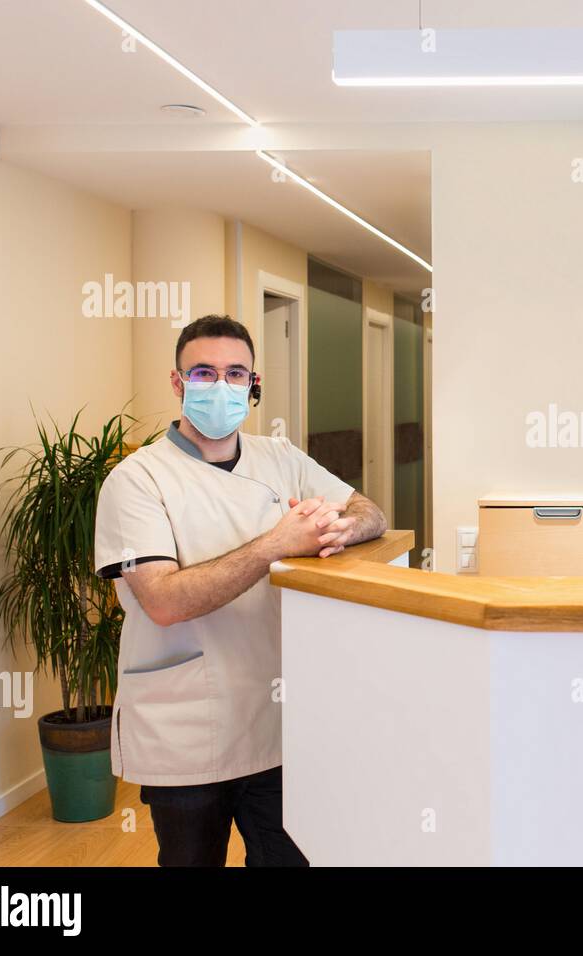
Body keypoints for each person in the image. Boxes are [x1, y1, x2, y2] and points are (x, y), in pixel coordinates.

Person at [94, 314, 387, 865]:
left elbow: (368, 508)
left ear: (253, 385)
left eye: (235, 373)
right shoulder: (137, 480)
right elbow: (162, 600)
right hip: (186, 725)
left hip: (275, 719)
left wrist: (347, 527)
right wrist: (276, 544)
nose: (220, 385)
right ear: (178, 383)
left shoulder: (279, 457)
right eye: (203, 372)